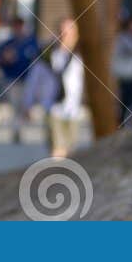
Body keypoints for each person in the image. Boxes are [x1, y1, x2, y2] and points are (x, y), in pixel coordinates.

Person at [0, 16, 40, 142]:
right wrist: (5, 58)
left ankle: (21, 124)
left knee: (25, 104)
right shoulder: (8, 43)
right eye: (15, 27)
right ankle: (16, 130)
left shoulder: (30, 42)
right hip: (12, 79)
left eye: (19, 26)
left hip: (28, 79)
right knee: (15, 105)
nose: (17, 29)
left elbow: (37, 58)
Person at [46, 18, 84, 159]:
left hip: (74, 108)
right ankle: (55, 177)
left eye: (69, 31)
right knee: (58, 150)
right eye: (63, 31)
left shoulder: (81, 55)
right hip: (54, 107)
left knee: (71, 150)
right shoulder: (51, 53)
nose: (66, 35)